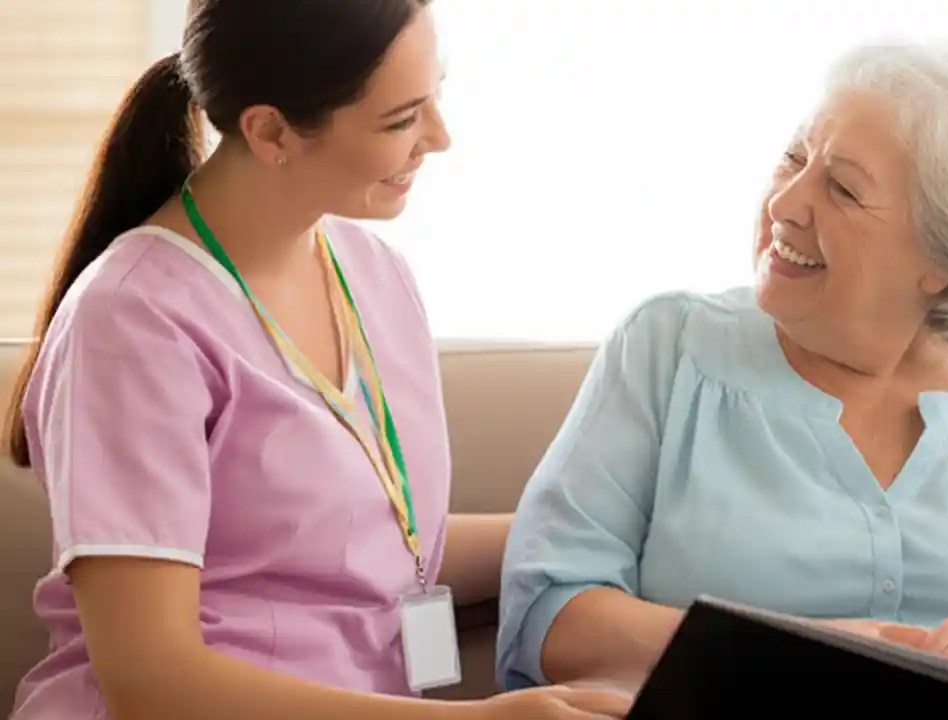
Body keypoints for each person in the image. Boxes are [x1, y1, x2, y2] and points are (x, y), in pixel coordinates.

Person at [496, 36, 948, 692]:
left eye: (841, 189)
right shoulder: (668, 348)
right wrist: (799, 654)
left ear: (945, 262)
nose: (784, 203)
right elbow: (550, 613)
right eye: (794, 158)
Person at [2, 1, 628, 718]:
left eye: (435, 98)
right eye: (401, 119)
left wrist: (588, 533)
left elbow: (380, 544)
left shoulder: (374, 273)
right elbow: (151, 680)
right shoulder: (133, 320)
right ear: (270, 132)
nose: (441, 138)